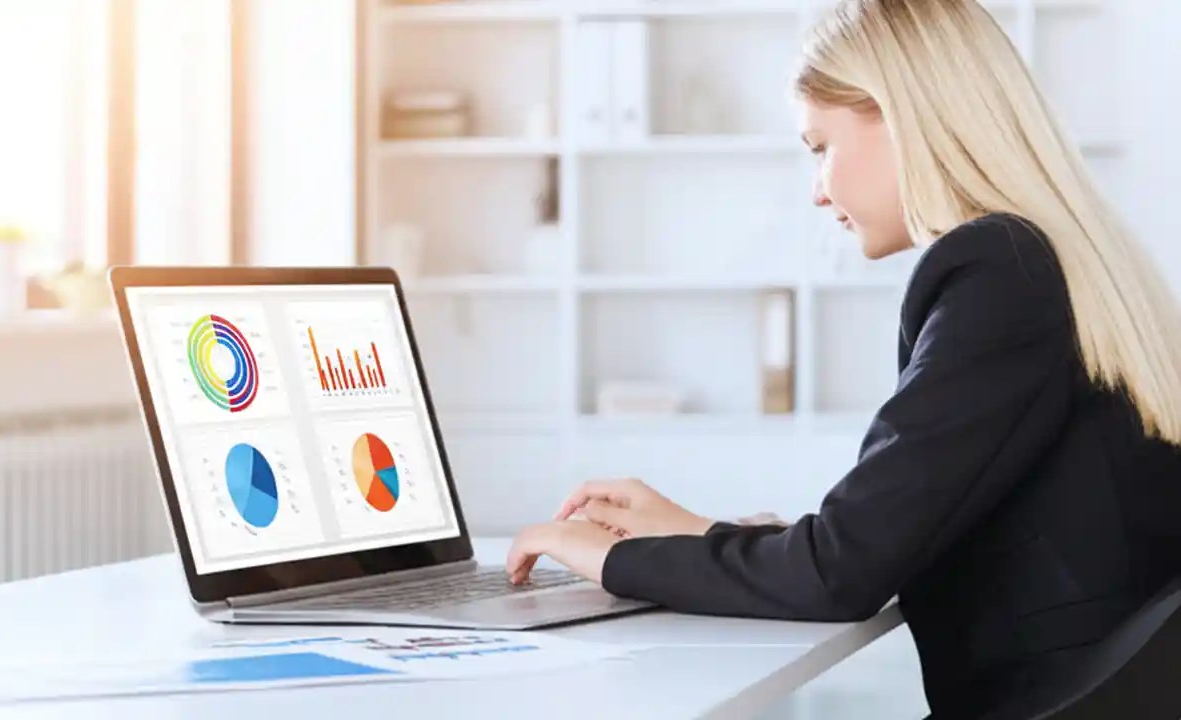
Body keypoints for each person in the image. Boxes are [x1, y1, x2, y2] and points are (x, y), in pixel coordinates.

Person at [505, 0, 1181, 717]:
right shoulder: (1056, 258)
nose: (818, 191)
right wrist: (693, 531)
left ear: (900, 115)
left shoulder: (997, 273)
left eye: (820, 146)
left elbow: (840, 574)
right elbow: (880, 538)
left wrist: (607, 560)